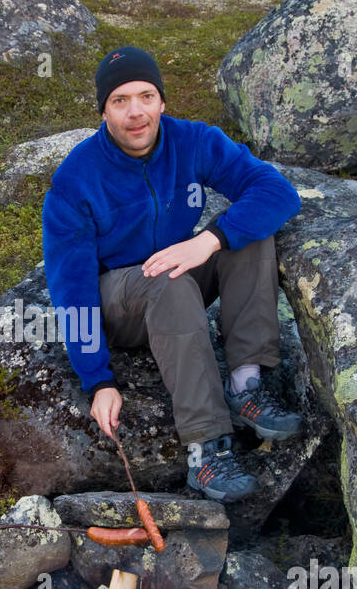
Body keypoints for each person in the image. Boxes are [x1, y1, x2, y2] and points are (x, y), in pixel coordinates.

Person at [42, 45, 304, 503]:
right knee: (168, 279)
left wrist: (209, 240)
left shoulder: (194, 141)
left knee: (248, 234)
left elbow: (276, 191)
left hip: (178, 282)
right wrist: (98, 380)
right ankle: (206, 448)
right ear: (103, 111)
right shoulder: (76, 179)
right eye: (120, 101)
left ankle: (246, 383)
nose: (136, 112)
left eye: (146, 96)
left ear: (162, 101)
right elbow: (71, 289)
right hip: (119, 303)